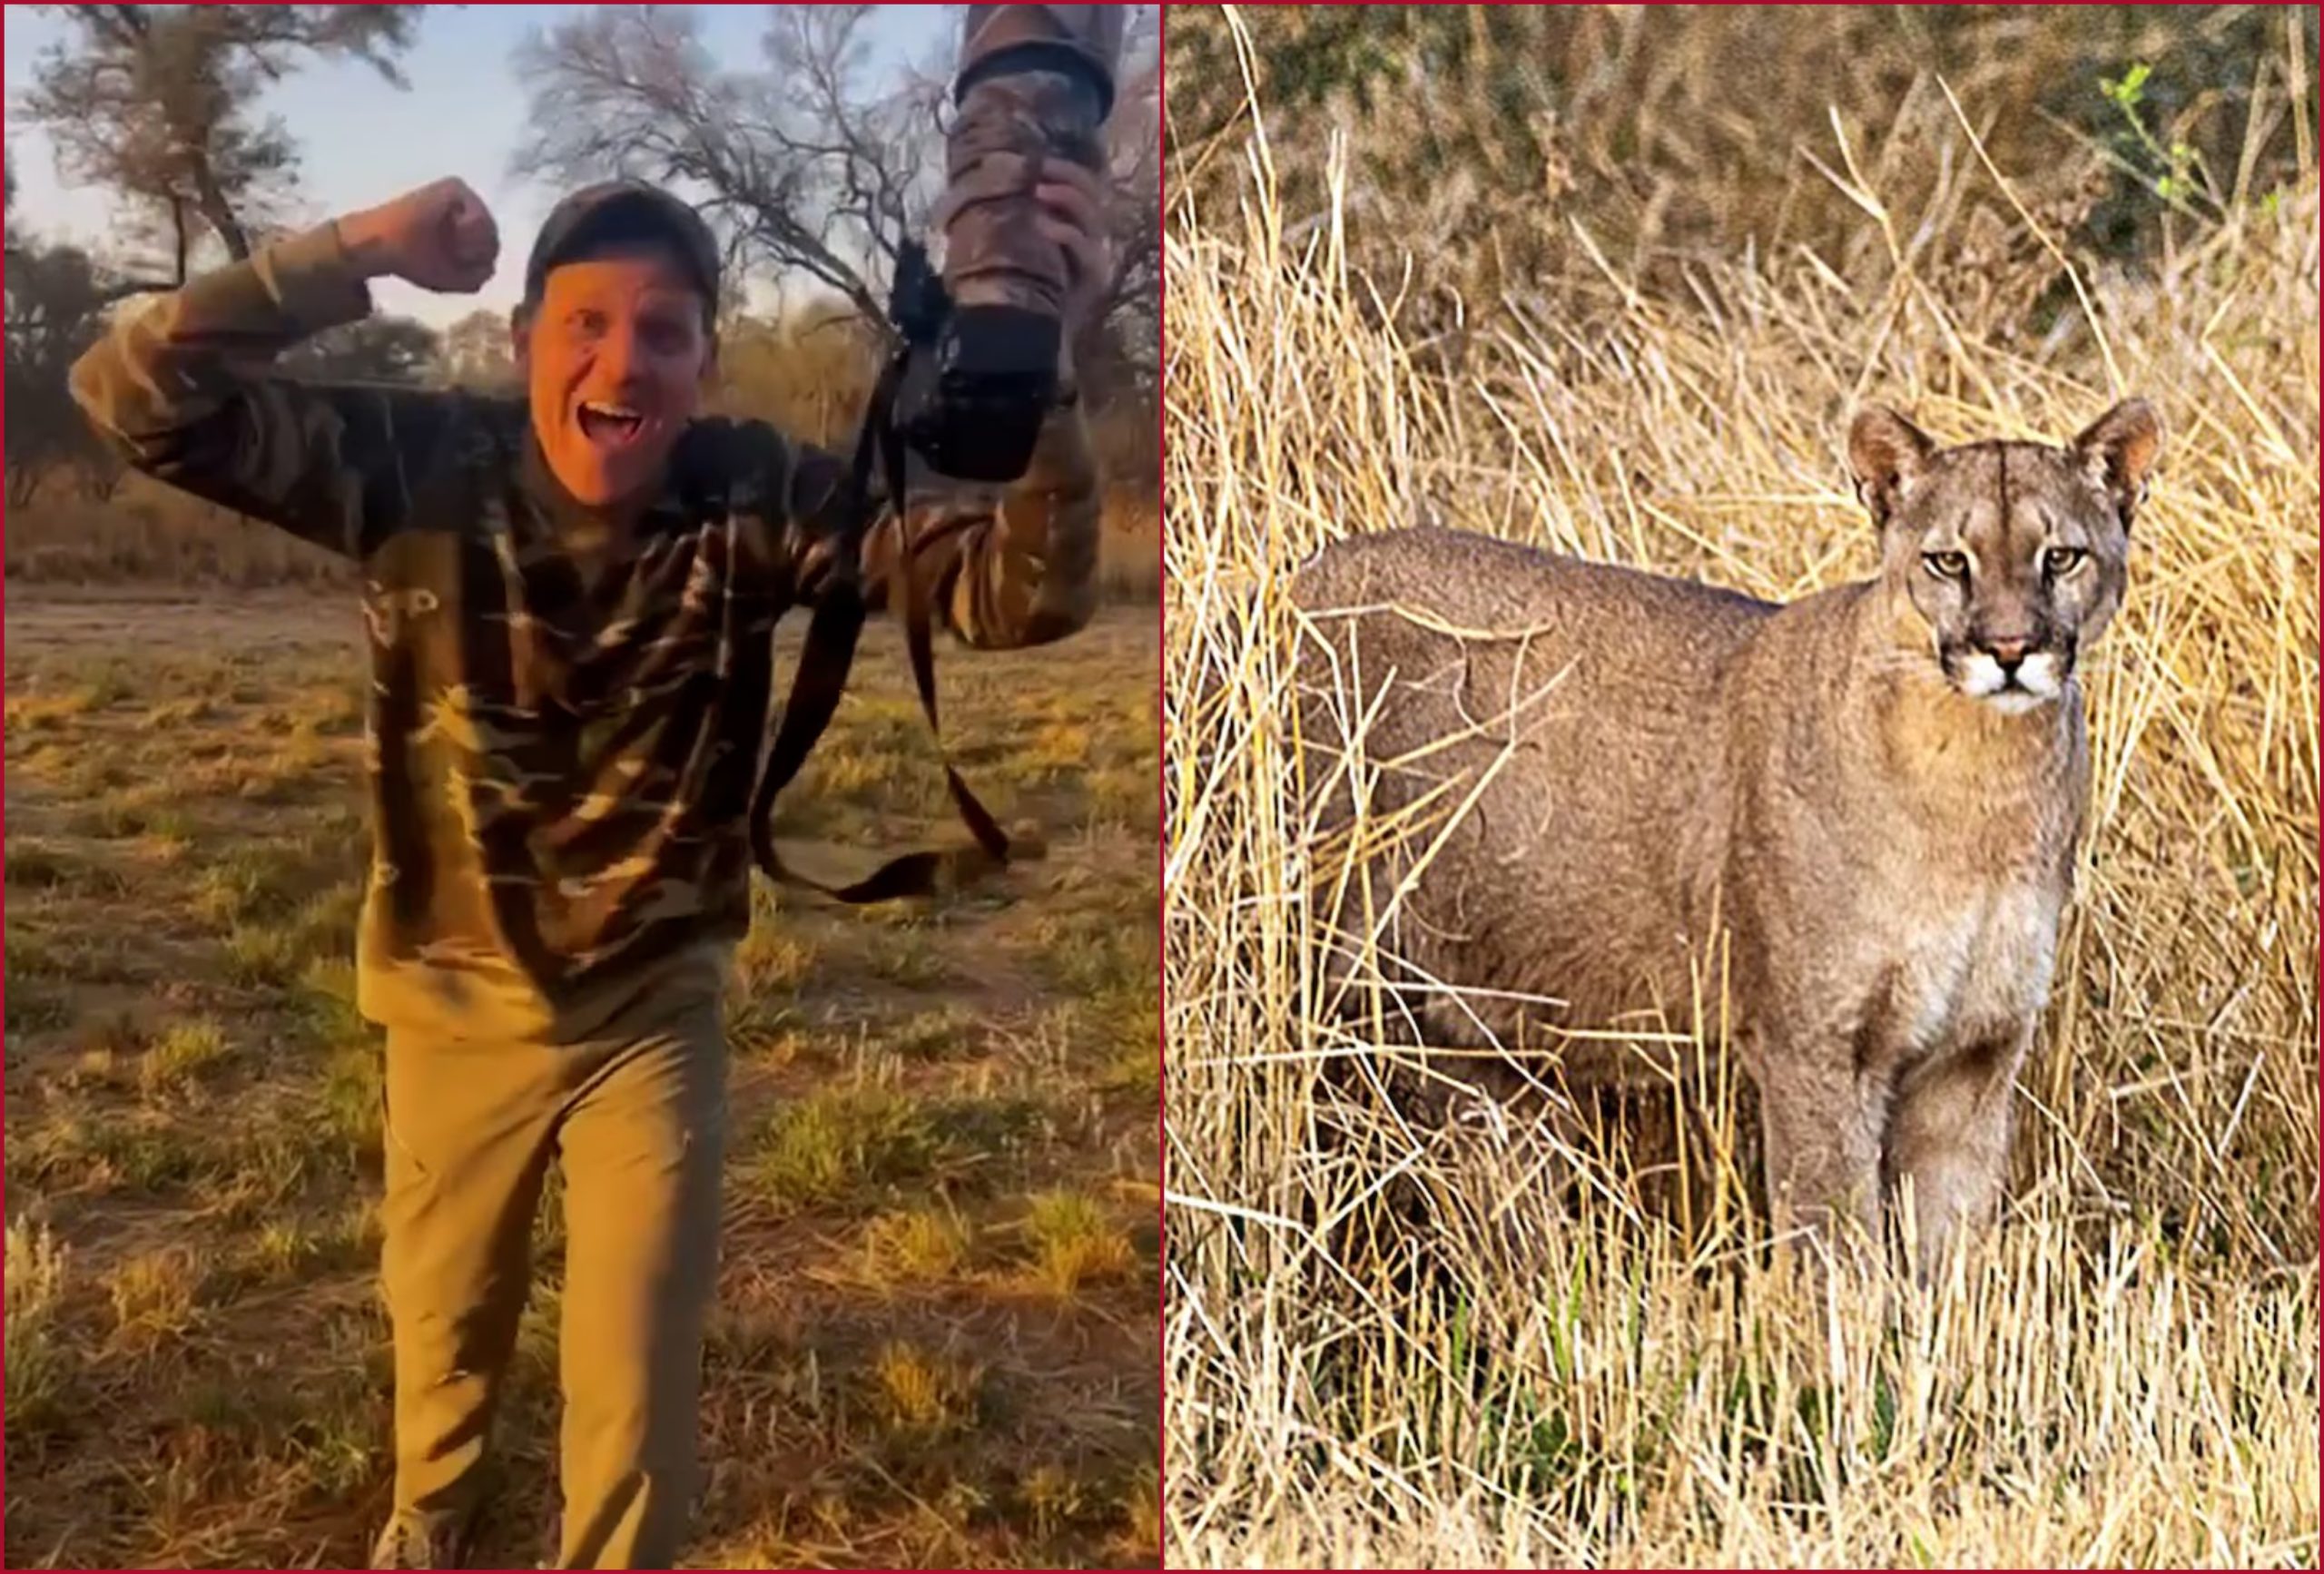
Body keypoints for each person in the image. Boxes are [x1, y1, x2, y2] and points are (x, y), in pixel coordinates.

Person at [68, 163, 1112, 1569]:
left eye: (664, 331)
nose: (624, 361)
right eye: (586, 325)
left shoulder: (752, 490)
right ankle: (427, 1526)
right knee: (443, 1344)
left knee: (631, 1386)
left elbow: (1021, 594)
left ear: (705, 363)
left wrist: (1032, 371)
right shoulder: (414, 469)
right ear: (521, 347)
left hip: (649, 1019)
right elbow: (130, 392)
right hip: (452, 1010)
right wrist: (359, 250)